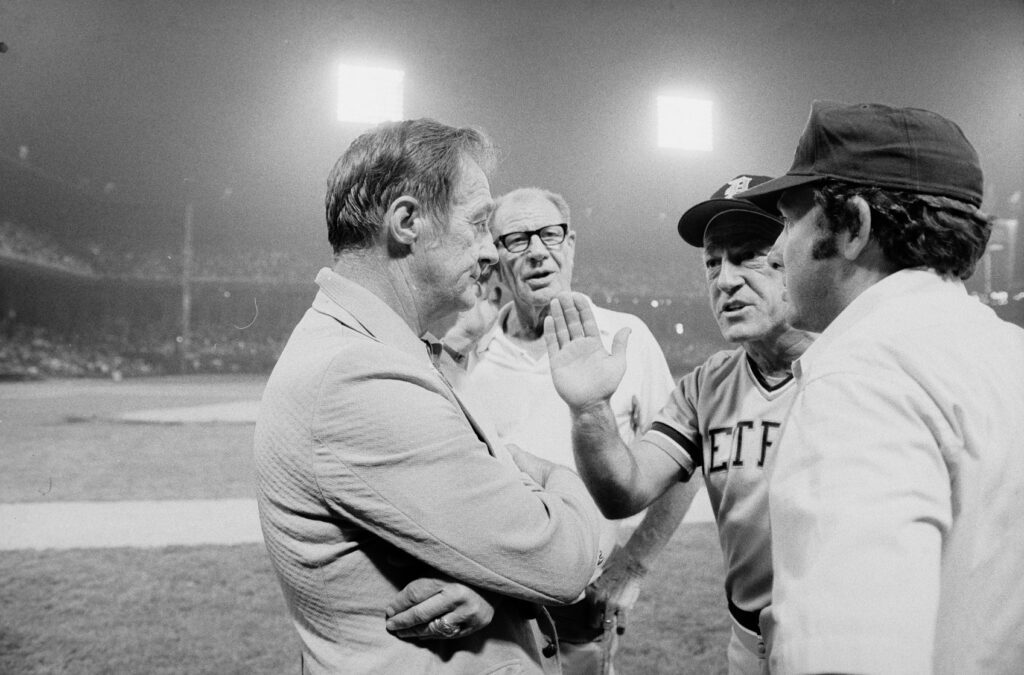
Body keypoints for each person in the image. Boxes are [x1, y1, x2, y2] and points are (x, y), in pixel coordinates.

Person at [253, 119, 604, 674]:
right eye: (479, 224)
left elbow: (459, 544)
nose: (492, 251)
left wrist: (495, 584)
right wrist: (562, 480)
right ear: (408, 221)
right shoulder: (360, 377)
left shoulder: (373, 347)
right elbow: (561, 562)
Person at [737, 100, 1024, 673]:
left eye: (791, 220)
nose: (775, 250)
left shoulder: (859, 373)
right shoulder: (1010, 351)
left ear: (853, 226)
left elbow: (850, 656)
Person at [538, 176, 816, 674]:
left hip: (851, 636)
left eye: (749, 254)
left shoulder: (859, 367)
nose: (725, 280)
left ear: (799, 253)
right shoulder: (708, 384)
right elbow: (624, 491)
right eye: (713, 262)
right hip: (748, 643)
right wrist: (591, 410)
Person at [441, 187, 691, 674]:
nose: (537, 250)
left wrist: (633, 565)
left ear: (570, 243)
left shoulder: (625, 340)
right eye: (516, 239)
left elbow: (683, 463)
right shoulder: (470, 348)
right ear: (493, 256)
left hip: (582, 603)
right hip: (489, 600)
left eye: (549, 234)